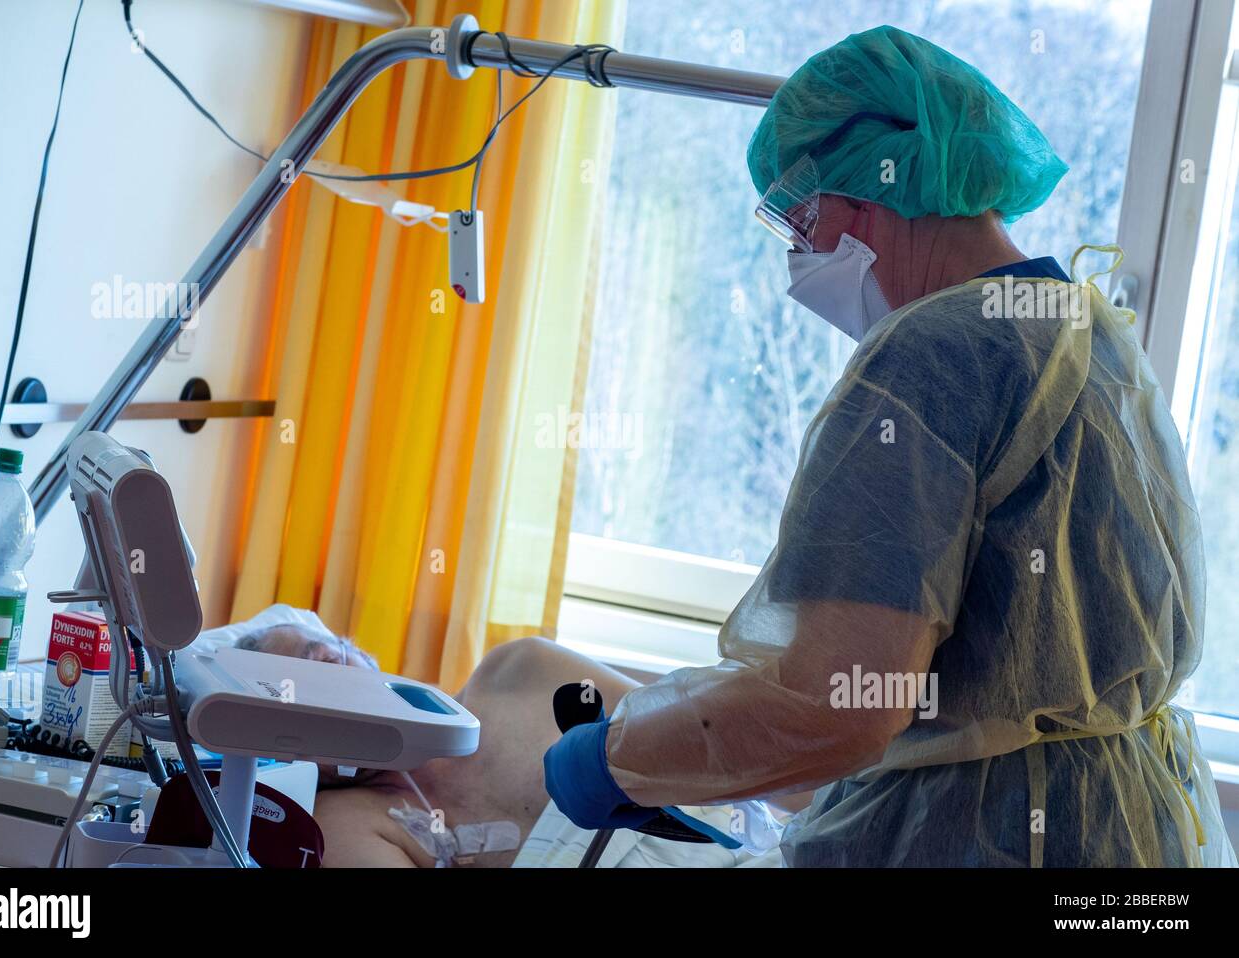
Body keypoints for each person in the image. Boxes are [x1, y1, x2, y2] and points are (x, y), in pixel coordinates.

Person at [542, 24, 1237, 867]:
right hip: (1131, 839)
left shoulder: (927, 359)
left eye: (797, 221)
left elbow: (838, 705)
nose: (798, 255)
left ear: (864, 196)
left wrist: (609, 761)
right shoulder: (1088, 334)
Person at [196, 607, 784, 867]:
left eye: (322, 653)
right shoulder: (347, 826)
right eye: (300, 683)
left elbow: (719, 742)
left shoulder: (520, 672)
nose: (326, 662)